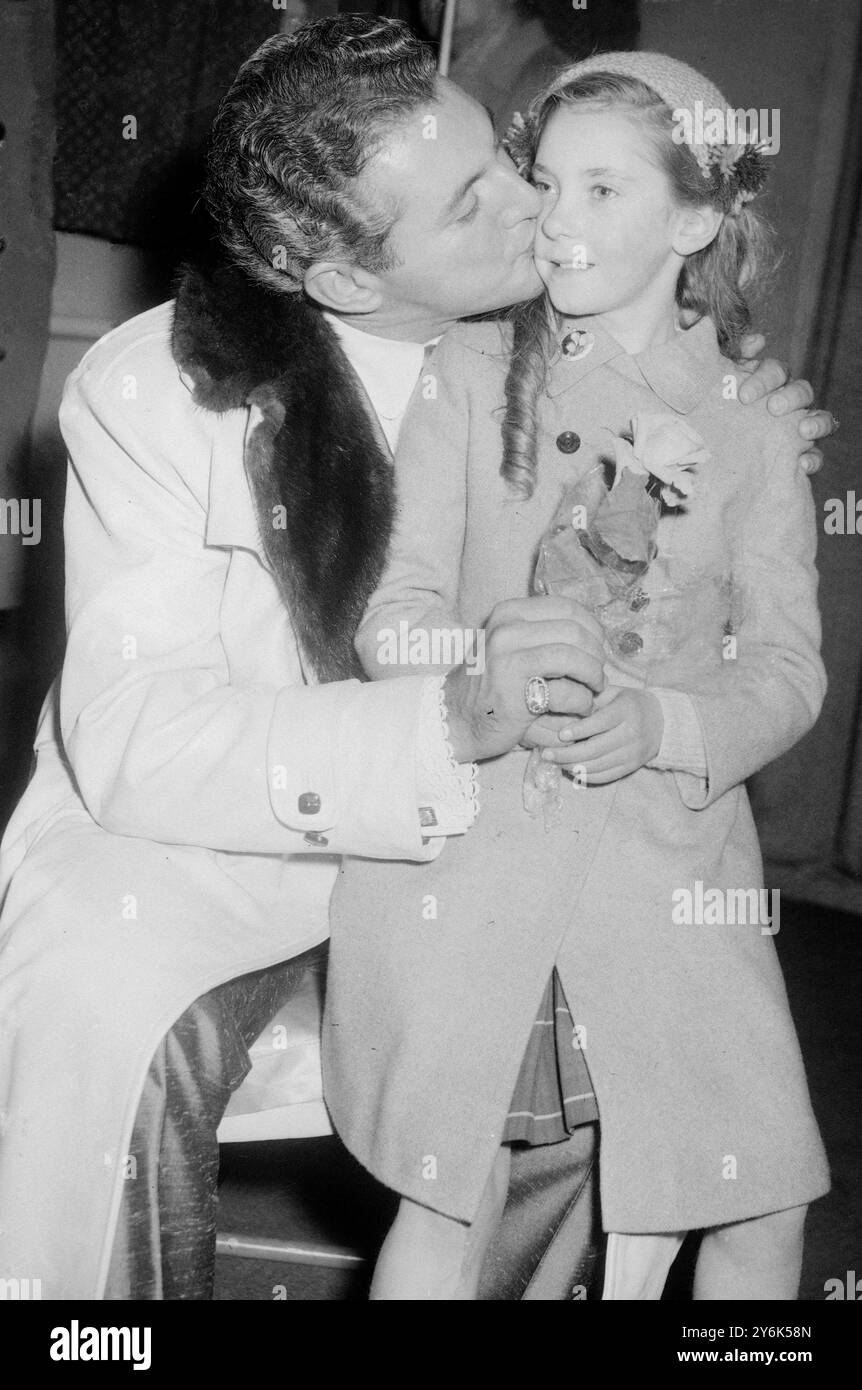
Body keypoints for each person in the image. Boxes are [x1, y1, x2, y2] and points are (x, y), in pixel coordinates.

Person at [0, 17, 830, 1301]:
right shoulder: (155, 394)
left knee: (594, 1042)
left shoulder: (546, 349)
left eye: (511, 159)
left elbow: (718, 563)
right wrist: (441, 720)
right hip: (212, 842)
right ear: (343, 278)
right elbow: (141, 744)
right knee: (113, 1029)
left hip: (500, 825)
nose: (531, 208)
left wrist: (737, 418)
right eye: (476, 203)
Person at [323, 51, 831, 1301]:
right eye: (546, 184)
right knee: (451, 1190)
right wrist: (478, 667)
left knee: (761, 1194)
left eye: (604, 191)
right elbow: (394, 612)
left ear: (697, 217)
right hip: (475, 842)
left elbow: (786, 671)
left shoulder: (754, 425)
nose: (556, 221)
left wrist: (661, 720)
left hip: (671, 859)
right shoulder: (474, 369)